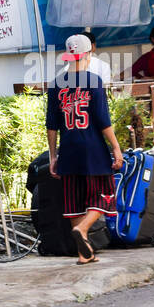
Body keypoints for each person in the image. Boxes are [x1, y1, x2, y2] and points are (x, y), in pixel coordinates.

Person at [46, 33, 123, 264]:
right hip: (93, 150)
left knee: (74, 201)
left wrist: (53, 155)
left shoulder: (56, 84)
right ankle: (83, 230)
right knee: (105, 195)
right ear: (88, 54)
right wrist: (116, 148)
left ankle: (83, 253)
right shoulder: (94, 80)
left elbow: (51, 125)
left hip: (68, 149)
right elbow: (103, 120)